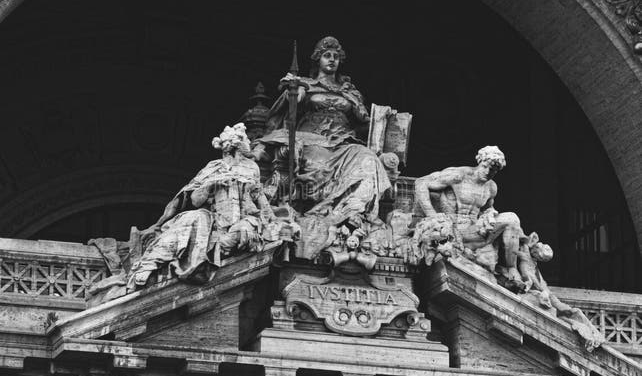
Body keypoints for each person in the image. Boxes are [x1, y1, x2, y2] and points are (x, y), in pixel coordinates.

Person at [254, 36, 392, 258]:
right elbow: (291, 106)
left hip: (345, 144)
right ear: (318, 59)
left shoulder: (351, 92)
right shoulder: (306, 85)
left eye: (336, 57)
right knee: (318, 165)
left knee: (368, 159)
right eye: (327, 55)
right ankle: (320, 214)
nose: (332, 60)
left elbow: (366, 123)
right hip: (313, 140)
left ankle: (350, 214)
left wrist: (383, 119)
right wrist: (293, 92)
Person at [127, 123, 277, 288]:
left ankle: (210, 257)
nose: (249, 144)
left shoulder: (251, 168)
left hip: (245, 220)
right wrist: (211, 185)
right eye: (246, 140)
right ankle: (149, 265)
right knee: (192, 219)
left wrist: (273, 221)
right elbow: (195, 200)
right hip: (214, 220)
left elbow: (259, 196)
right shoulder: (213, 168)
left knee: (243, 230)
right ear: (236, 146)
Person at [414, 145, 523, 283]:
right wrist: (432, 215)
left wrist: (490, 213)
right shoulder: (458, 175)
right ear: (480, 162)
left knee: (512, 219)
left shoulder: (491, 187)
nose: (488, 172)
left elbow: (488, 208)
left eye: (494, 170)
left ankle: (511, 268)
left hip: (476, 231)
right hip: (455, 231)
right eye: (486, 166)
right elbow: (421, 183)